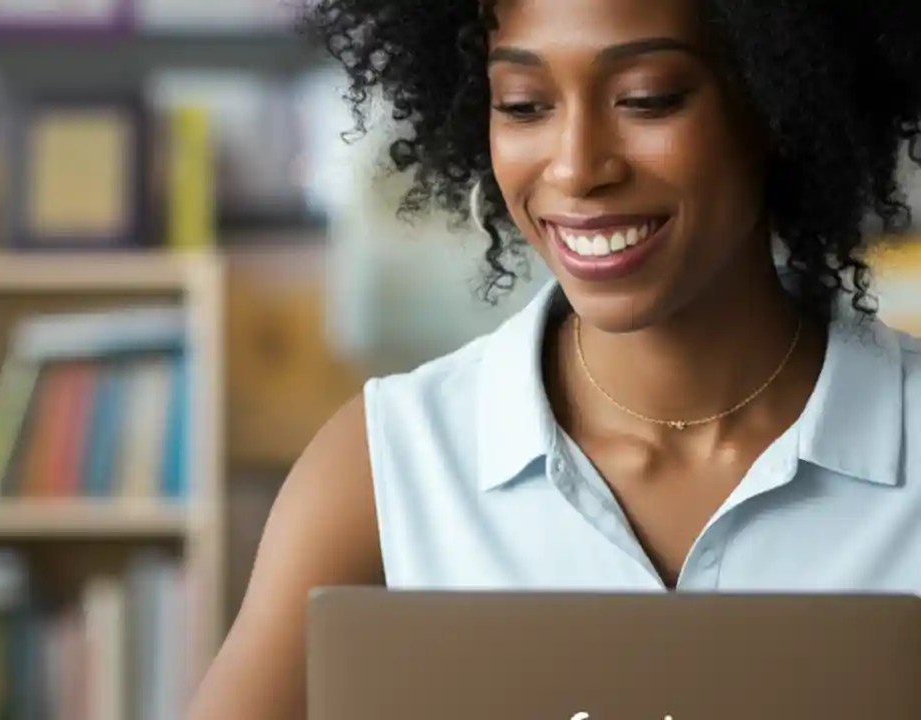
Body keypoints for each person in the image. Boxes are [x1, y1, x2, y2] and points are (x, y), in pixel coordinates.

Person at [189, 0, 921, 717]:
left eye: (647, 99)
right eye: (524, 105)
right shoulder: (384, 466)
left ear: (773, 106)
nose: (576, 169)